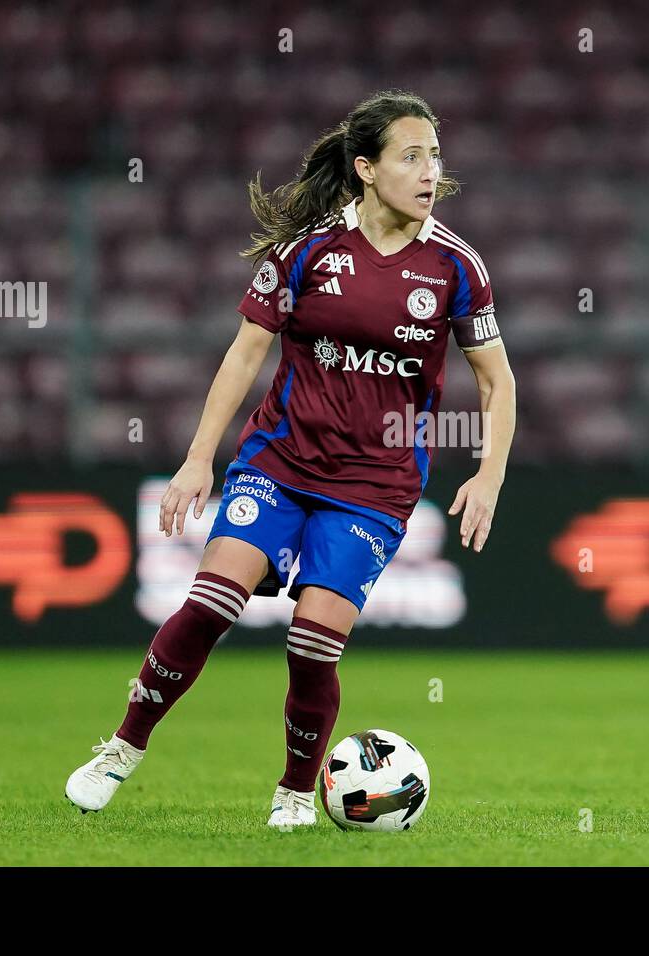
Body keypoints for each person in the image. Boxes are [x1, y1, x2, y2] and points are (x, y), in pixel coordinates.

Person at [65, 89, 516, 827]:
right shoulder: (306, 249)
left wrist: (489, 474)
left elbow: (497, 380)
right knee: (210, 602)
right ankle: (122, 748)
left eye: (435, 155)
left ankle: (294, 795)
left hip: (376, 484)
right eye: (412, 155)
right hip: (279, 464)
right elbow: (246, 354)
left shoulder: (456, 266)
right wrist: (196, 459)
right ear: (366, 168)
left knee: (312, 643)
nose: (430, 169)